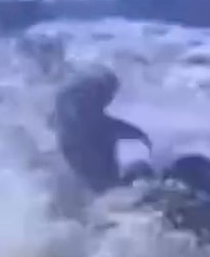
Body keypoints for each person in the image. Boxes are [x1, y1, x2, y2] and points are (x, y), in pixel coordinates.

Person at [51, 66, 152, 195]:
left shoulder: (67, 103)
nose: (109, 96)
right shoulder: (82, 109)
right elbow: (101, 124)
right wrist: (140, 136)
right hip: (94, 178)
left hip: (87, 173)